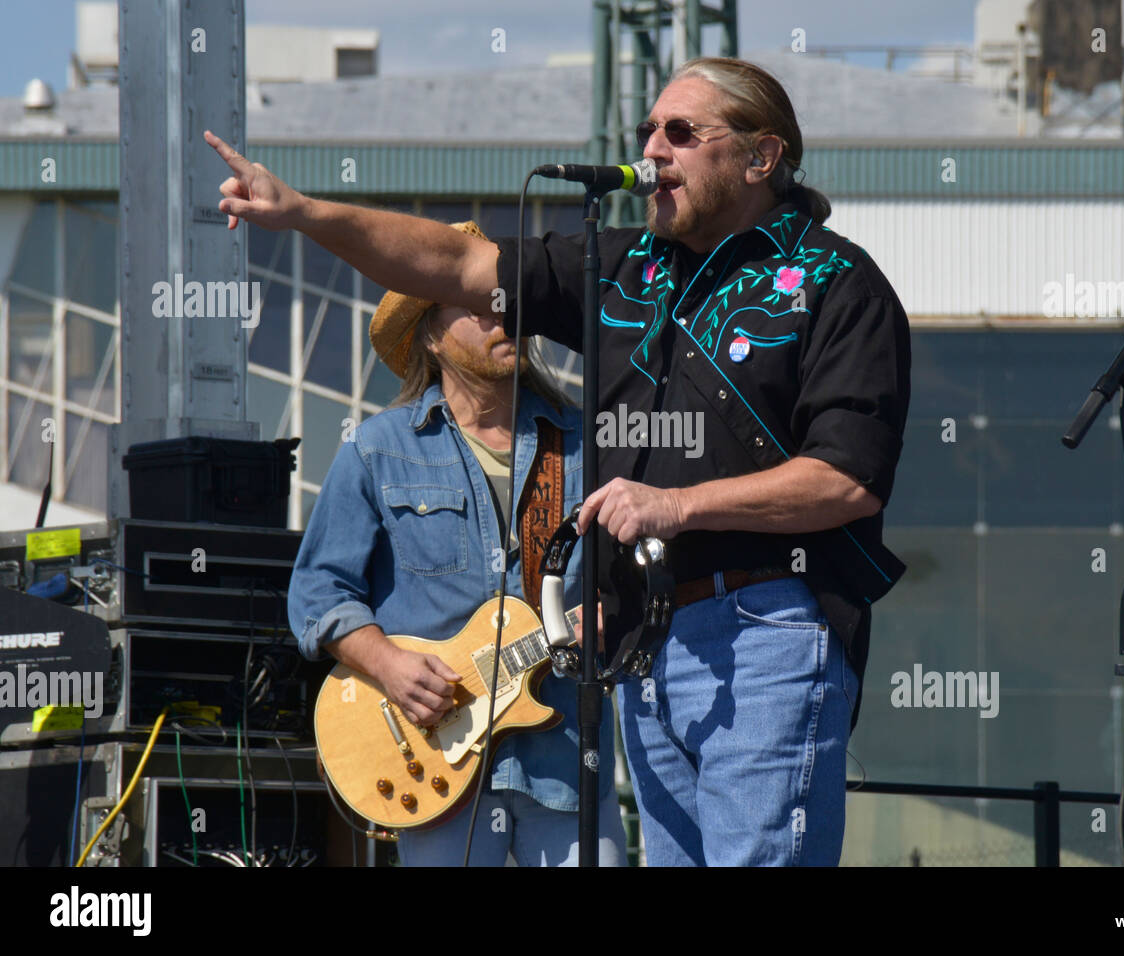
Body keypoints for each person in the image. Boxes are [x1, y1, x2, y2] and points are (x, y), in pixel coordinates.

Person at [210, 55, 909, 867]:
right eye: (648, 129)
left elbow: (847, 479)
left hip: (763, 626)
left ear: (761, 157)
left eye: (681, 132)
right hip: (642, 642)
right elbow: (458, 265)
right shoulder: (624, 270)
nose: (653, 149)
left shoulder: (835, 282)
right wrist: (302, 213)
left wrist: (676, 506)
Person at [286, 221, 625, 866]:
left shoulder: (590, 445)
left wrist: (618, 614)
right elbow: (317, 592)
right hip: (429, 760)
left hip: (564, 763)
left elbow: (629, 578)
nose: (503, 317)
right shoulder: (376, 448)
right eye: (477, 306)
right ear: (430, 336)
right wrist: (387, 665)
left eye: (510, 302)